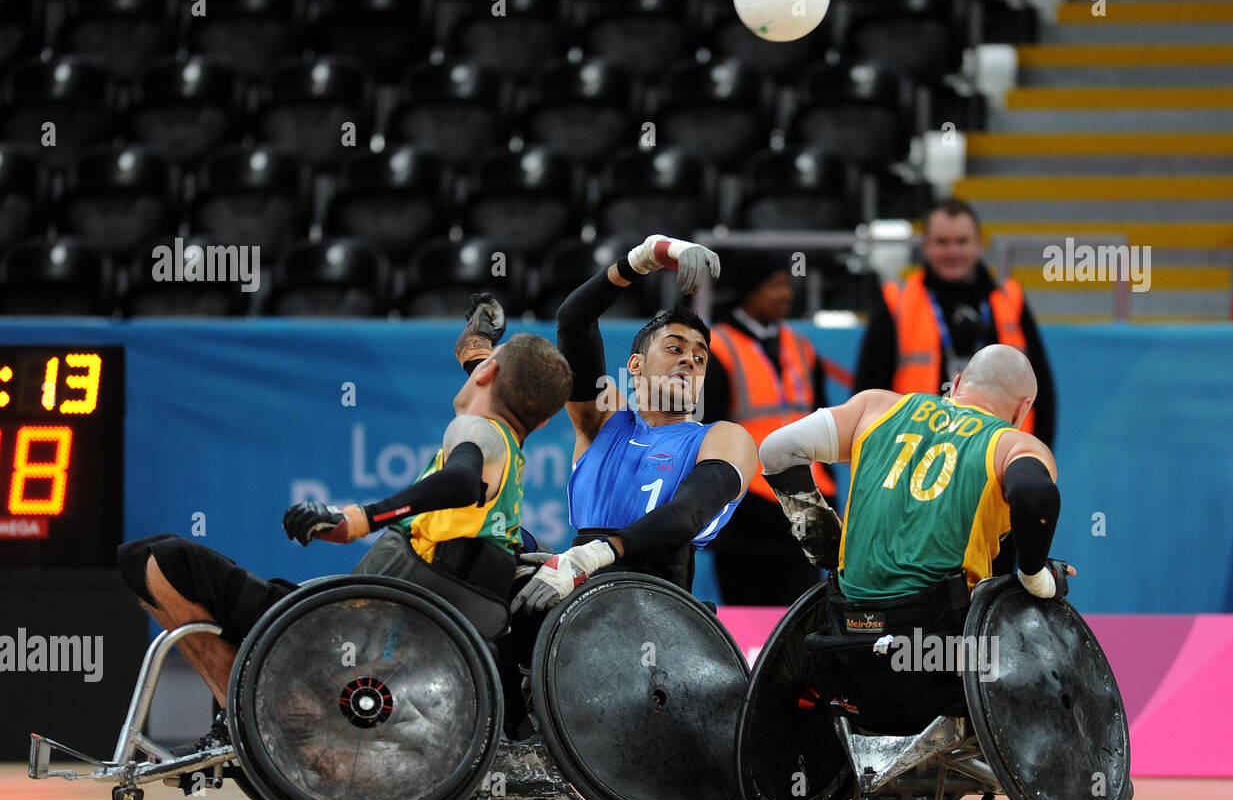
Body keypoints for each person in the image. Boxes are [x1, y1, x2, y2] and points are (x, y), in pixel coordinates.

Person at [116, 299, 573, 742]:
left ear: (489, 373)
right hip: (394, 628)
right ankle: (248, 717)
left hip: (347, 630)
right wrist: (479, 352)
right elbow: (493, 411)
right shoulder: (506, 450)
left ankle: (245, 720)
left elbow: (459, 481)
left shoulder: (473, 434)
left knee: (156, 559)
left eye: (484, 365)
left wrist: (356, 519)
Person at [758, 344, 1072, 734]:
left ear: (956, 383)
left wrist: (819, 534)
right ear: (1023, 408)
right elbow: (1035, 496)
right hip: (936, 661)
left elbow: (775, 450)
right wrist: (1035, 577)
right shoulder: (1013, 444)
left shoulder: (875, 408)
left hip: (846, 649)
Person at [511, 234, 758, 616]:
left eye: (700, 357)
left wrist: (598, 553)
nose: (689, 361)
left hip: (659, 600)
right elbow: (573, 320)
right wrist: (645, 257)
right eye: (675, 348)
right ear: (636, 367)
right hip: (578, 589)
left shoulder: (723, 437)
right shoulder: (605, 417)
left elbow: (687, 514)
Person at [854, 197, 1056, 448]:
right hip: (915, 458)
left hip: (998, 458)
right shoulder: (897, 302)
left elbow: (1041, 390)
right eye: (942, 242)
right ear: (926, 246)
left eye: (962, 241)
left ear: (979, 244)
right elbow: (868, 391)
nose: (953, 251)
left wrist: (1036, 458)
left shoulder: (1010, 300)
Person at [702, 255, 838, 606]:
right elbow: (705, 433)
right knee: (747, 618)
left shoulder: (803, 348)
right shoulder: (717, 348)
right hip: (747, 511)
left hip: (803, 503)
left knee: (797, 617)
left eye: (787, 284)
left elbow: (824, 424)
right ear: (748, 291)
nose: (785, 294)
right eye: (774, 284)